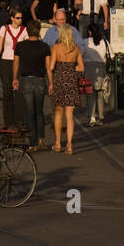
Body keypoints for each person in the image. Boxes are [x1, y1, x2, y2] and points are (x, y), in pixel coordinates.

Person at [12, 20, 52, 151]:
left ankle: (32, 143)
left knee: (29, 112)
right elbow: (48, 67)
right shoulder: (45, 47)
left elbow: (16, 64)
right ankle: (42, 139)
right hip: (40, 80)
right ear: (39, 31)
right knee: (39, 111)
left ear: (27, 32)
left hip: (26, 80)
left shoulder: (20, 46)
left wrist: (15, 78)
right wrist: (51, 82)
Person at [48, 22, 85, 154]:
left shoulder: (56, 48)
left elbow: (51, 67)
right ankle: (69, 145)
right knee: (70, 115)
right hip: (71, 81)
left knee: (58, 113)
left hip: (59, 80)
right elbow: (81, 67)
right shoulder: (76, 49)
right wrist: (71, 68)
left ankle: (58, 143)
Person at [0, 7, 27, 128]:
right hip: (6, 61)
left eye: (21, 18)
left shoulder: (25, 30)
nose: (20, 20)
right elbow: (0, 45)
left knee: (18, 92)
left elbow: (27, 46)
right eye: (17, 18)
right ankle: (8, 120)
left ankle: (19, 119)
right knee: (7, 92)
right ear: (12, 18)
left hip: (19, 62)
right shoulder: (4, 29)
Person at [83, 23, 112, 127]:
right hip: (101, 69)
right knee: (100, 94)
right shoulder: (105, 42)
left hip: (88, 69)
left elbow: (81, 55)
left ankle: (92, 117)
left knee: (90, 94)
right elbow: (111, 56)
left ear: (90, 32)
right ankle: (101, 116)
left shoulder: (85, 42)